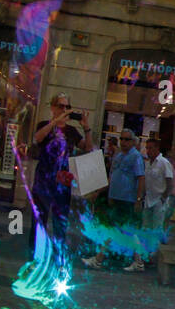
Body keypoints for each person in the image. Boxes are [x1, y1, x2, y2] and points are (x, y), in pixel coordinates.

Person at [24, 93, 94, 261]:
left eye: (67, 107)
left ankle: (57, 257)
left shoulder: (71, 131)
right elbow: (37, 138)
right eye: (61, 106)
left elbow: (88, 148)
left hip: (62, 184)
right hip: (43, 182)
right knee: (39, 221)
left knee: (60, 224)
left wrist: (86, 127)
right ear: (53, 107)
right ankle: (35, 256)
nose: (64, 110)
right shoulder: (45, 125)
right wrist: (55, 121)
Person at [83, 128, 145, 271]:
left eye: (127, 139)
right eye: (121, 139)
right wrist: (104, 193)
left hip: (127, 200)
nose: (123, 142)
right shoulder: (119, 156)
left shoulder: (136, 157)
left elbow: (141, 178)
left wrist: (138, 199)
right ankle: (138, 261)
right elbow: (112, 177)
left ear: (133, 141)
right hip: (117, 199)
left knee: (117, 229)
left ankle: (99, 259)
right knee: (124, 230)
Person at [141, 136, 175, 235]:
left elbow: (170, 182)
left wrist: (163, 197)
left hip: (159, 200)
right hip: (148, 199)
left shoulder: (164, 163)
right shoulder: (148, 163)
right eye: (147, 148)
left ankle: (155, 249)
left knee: (157, 227)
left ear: (157, 148)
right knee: (146, 227)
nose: (148, 151)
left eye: (150, 148)